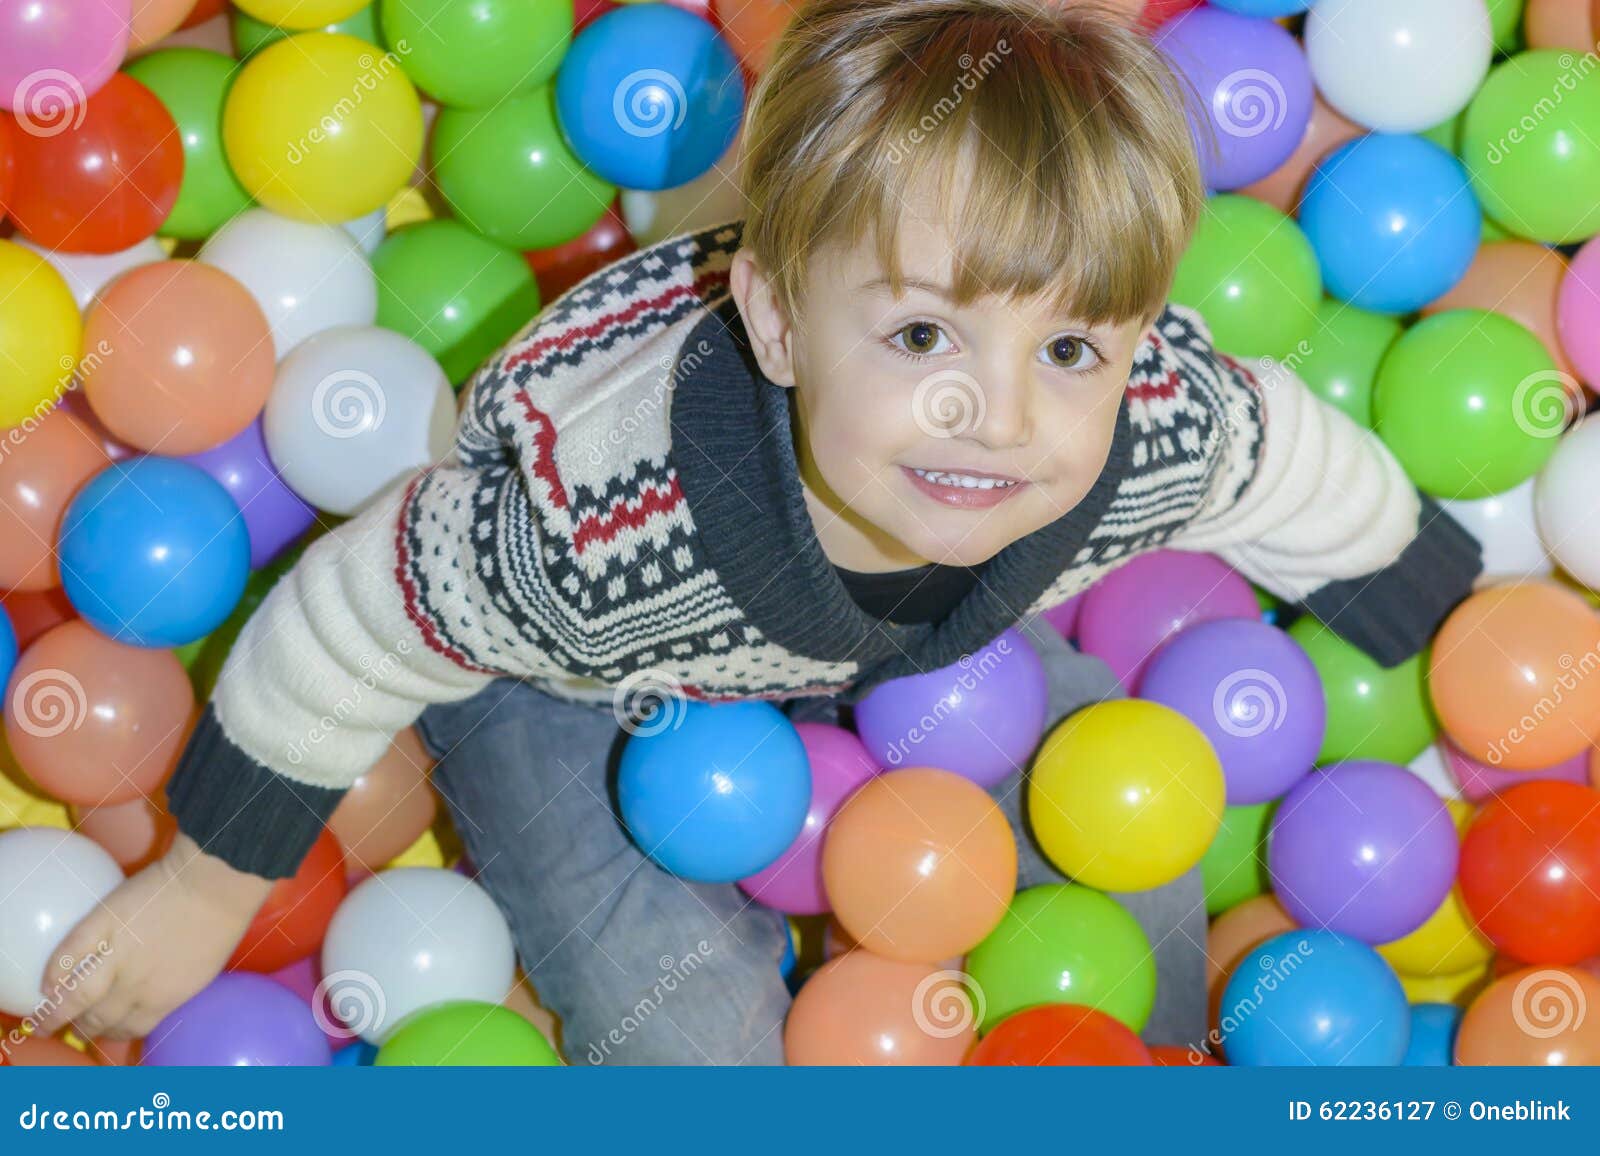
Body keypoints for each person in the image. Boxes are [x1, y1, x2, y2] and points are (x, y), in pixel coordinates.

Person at [39, 0, 1481, 1061]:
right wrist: (206, 884)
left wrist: (1434, 607)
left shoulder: (1142, 431)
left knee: (1129, 874)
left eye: (1068, 351)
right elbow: (361, 613)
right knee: (692, 1045)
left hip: (913, 639)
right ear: (780, 324)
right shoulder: (600, 529)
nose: (997, 418)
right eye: (923, 335)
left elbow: (1290, 460)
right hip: (577, 683)